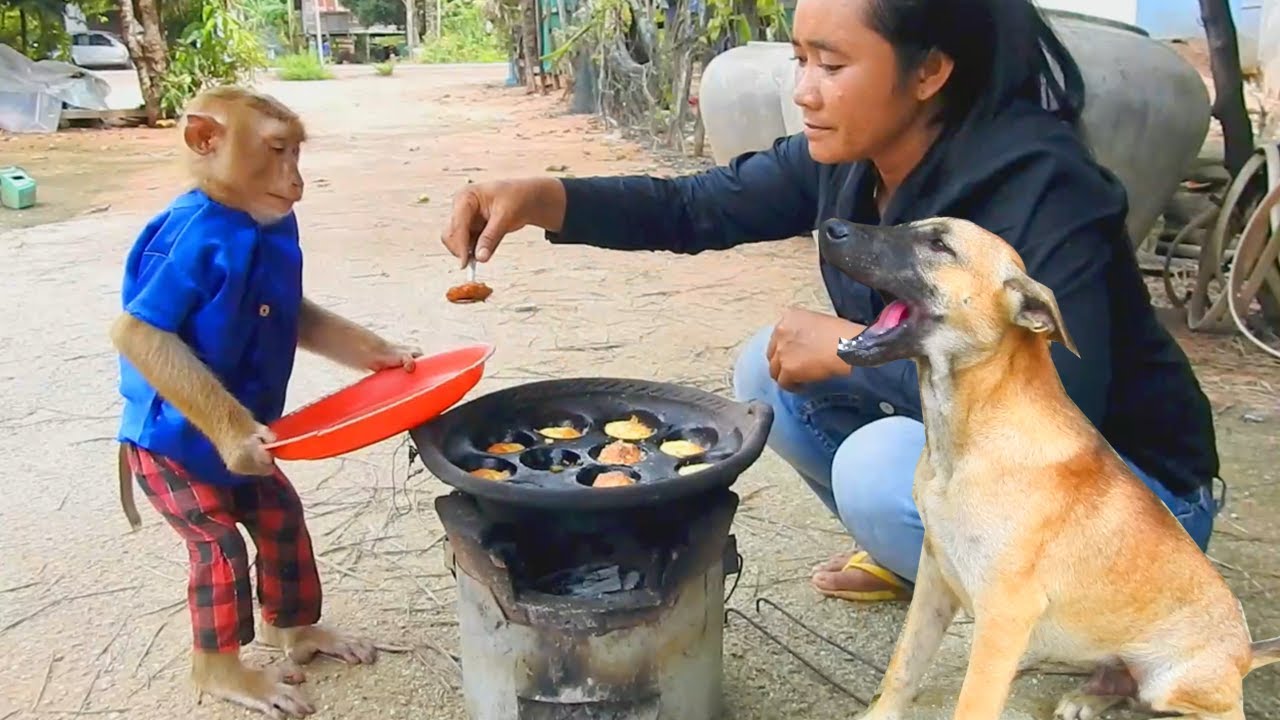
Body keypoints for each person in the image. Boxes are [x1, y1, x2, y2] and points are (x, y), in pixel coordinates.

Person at [439, 0, 1222, 603]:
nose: (804, 91)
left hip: (1131, 507)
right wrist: (544, 197)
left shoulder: (1039, 186)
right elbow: (695, 208)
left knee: (878, 470)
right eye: (799, 58)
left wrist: (855, 352)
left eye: (832, 64)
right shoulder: (856, 155)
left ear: (929, 71)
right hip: (1011, 464)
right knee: (769, 368)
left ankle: (1100, 626)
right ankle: (921, 562)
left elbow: (1060, 405)